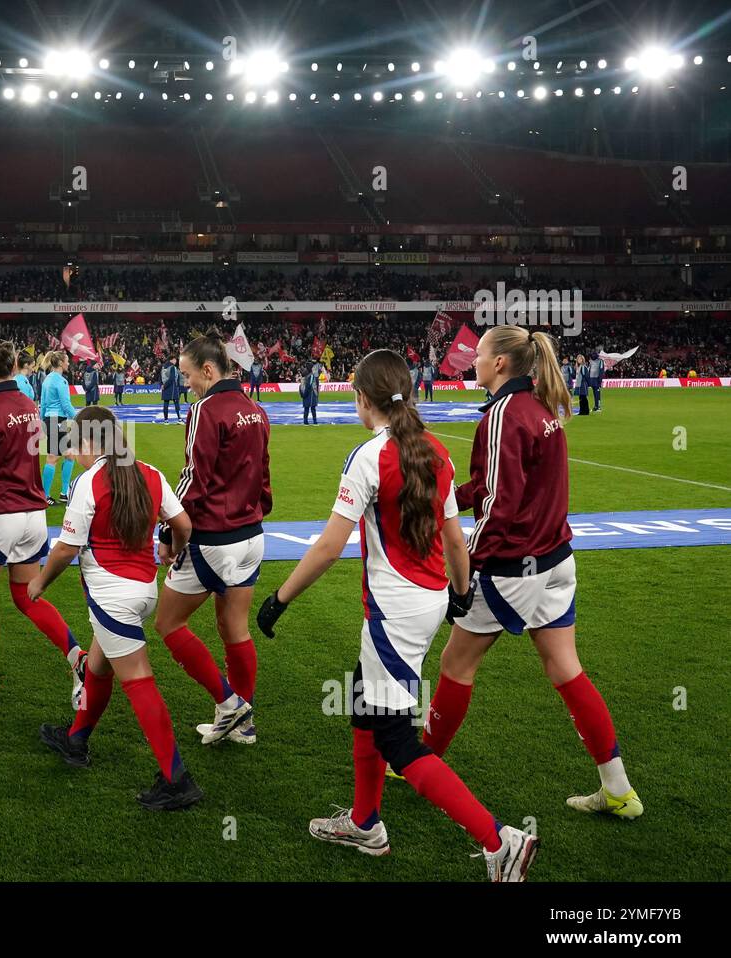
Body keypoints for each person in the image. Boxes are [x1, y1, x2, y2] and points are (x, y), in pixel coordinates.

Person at [254, 349, 540, 881]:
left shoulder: (368, 457)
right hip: (428, 599)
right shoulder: (436, 450)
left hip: (395, 614)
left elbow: (327, 546)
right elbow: (456, 540)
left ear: (363, 399)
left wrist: (280, 599)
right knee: (365, 706)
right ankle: (365, 823)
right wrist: (459, 592)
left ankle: (499, 840)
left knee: (397, 739)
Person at [424, 324, 643, 819]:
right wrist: (441, 496)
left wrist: (464, 568)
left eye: (478, 354)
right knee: (567, 670)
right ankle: (618, 789)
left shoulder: (503, 414)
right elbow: (493, 487)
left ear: (500, 363)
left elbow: (499, 507)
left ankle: (419, 763)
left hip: (510, 568)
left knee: (456, 667)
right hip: (556, 562)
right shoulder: (541, 408)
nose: (472, 360)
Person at [33, 406, 203, 809]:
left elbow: (65, 549)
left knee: (139, 681)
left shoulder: (89, 483)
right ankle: (76, 740)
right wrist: (174, 553)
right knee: (97, 666)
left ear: (93, 440)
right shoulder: (148, 472)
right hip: (143, 590)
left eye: (75, 444)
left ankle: (176, 779)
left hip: (113, 598)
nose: (72, 453)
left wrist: (38, 584)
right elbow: (184, 526)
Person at [0, 340, 86, 707]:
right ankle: (78, 657)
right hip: (34, 515)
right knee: (26, 596)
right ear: (14, 366)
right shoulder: (28, 406)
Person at [154, 333, 271, 745]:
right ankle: (244, 724)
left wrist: (168, 530)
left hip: (213, 539)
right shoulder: (256, 410)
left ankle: (230, 705)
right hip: (251, 535)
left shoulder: (205, 410)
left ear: (208, 369)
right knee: (234, 628)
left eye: (186, 375)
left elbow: (193, 479)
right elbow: (264, 478)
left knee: (168, 623)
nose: (185, 384)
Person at [39, 350, 77, 504]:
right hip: (58, 421)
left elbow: (43, 403)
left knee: (69, 455)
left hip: (50, 420)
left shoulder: (47, 379)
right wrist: (78, 418)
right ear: (61, 363)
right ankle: (45, 496)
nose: (68, 363)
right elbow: (66, 404)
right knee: (53, 458)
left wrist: (43, 421)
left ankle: (63, 492)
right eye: (67, 360)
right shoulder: (61, 381)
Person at [160, 355, 181, 423]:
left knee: (166, 403)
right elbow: (172, 378)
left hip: (165, 387)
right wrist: (166, 385)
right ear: (171, 360)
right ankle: (179, 419)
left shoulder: (163, 367)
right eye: (175, 360)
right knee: (176, 402)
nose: (176, 361)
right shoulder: (172, 367)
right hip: (172, 387)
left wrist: (162, 385)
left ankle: (166, 420)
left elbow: (160, 377)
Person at [302, 357, 321, 425]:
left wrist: (304, 393)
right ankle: (314, 421)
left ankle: (305, 421)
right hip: (311, 394)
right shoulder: (312, 375)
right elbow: (310, 385)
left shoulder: (304, 373)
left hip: (306, 393)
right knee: (313, 408)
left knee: (306, 408)